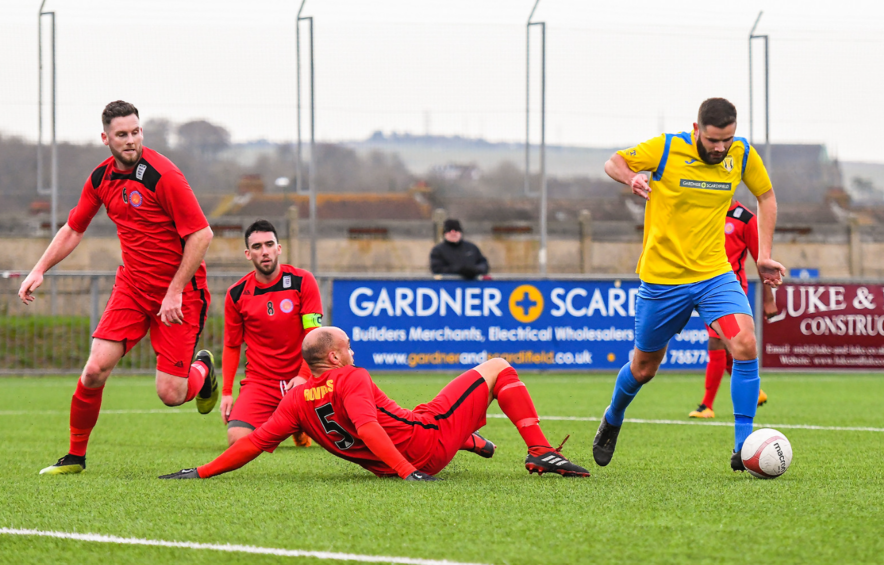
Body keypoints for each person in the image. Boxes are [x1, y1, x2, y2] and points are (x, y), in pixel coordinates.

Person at [18, 100, 217, 475]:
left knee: (171, 394)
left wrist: (174, 290)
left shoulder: (164, 176)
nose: (131, 140)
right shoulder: (100, 178)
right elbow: (74, 228)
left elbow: (201, 234)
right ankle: (75, 456)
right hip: (132, 287)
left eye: (136, 132)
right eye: (122, 134)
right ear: (105, 138)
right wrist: (39, 269)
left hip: (180, 292)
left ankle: (203, 371)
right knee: (94, 370)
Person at [592, 98, 785, 473]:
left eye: (726, 140)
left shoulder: (741, 154)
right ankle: (612, 417)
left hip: (714, 275)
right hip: (663, 281)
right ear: (696, 130)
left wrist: (763, 255)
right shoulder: (666, 148)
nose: (720, 148)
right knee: (644, 368)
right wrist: (630, 177)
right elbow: (613, 161)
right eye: (713, 140)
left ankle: (743, 447)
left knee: (745, 344)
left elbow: (766, 197)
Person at [159, 327, 589, 481]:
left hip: (401, 447)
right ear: (333, 358)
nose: (352, 349)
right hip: (423, 447)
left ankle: (470, 441)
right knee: (497, 366)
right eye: (347, 345)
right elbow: (366, 427)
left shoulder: (294, 401)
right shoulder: (352, 376)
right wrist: (409, 473)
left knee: (418, 409)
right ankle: (539, 451)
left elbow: (253, 444)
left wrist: (202, 471)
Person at [221, 219, 323, 448]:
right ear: (248, 254)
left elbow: (314, 334)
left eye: (269, 244)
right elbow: (231, 345)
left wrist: (304, 375)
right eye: (257, 247)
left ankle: (297, 422)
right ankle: (291, 422)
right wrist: (227, 392)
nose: (264, 251)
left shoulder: (302, 281)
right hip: (261, 382)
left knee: (343, 436)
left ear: (279, 248)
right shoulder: (236, 294)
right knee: (237, 440)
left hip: (304, 378)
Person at [689, 199, 779, 419]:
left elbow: (761, 261)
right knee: (729, 346)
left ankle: (706, 406)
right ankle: (754, 392)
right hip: (704, 290)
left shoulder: (745, 219)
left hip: (730, 293)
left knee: (716, 341)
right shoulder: (704, 210)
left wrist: (768, 298)